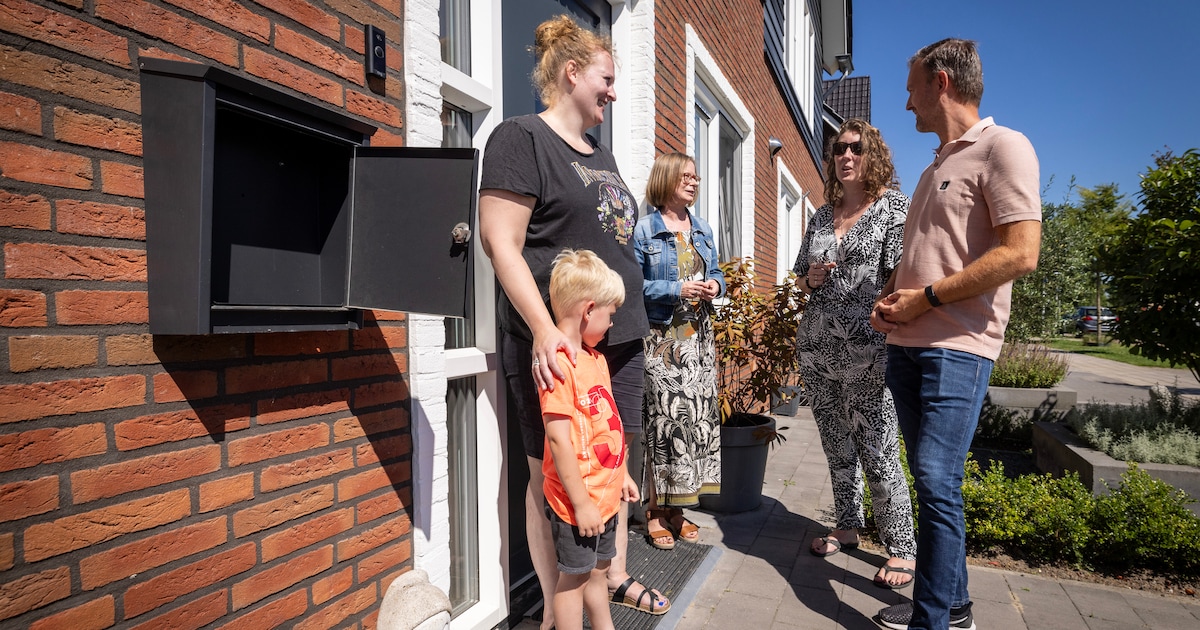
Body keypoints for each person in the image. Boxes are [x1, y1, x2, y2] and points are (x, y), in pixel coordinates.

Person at [477, 15, 670, 628]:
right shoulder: (522, 139)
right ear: (571, 73)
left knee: (612, 459)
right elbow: (500, 241)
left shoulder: (601, 153)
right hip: (558, 343)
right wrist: (543, 328)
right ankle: (555, 606)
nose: (613, 91)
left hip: (618, 338)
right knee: (551, 474)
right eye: (606, 80)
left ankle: (610, 578)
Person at [871, 38, 1041, 630]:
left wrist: (927, 299)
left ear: (940, 82)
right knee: (931, 481)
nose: (907, 102)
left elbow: (1020, 253)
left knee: (938, 480)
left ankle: (932, 621)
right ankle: (954, 606)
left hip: (957, 349)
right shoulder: (934, 167)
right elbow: (921, 257)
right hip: (908, 344)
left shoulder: (1004, 147)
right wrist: (891, 299)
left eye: (912, 88)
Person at [793, 119, 917, 589]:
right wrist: (810, 279)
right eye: (840, 149)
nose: (846, 155)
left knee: (879, 448)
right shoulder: (822, 215)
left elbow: (903, 275)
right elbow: (801, 275)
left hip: (870, 353)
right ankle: (847, 527)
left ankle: (901, 546)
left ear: (873, 155)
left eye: (857, 148)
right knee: (836, 445)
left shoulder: (893, 209)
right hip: (817, 349)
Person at [539, 249, 640, 630]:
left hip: (605, 496)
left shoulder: (596, 360)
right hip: (576, 503)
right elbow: (558, 440)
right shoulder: (559, 365)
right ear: (589, 310)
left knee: (598, 573)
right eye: (610, 314)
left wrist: (622, 473)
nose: (612, 323)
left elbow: (608, 424)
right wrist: (581, 504)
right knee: (574, 580)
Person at [634, 153, 725, 550]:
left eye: (696, 177)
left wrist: (715, 286)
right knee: (665, 423)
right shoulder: (645, 230)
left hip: (699, 341)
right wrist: (676, 289)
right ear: (666, 179)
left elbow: (716, 272)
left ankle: (677, 509)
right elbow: (632, 285)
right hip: (662, 340)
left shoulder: (701, 228)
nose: (694, 181)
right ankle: (654, 510)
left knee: (693, 423)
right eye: (686, 176)